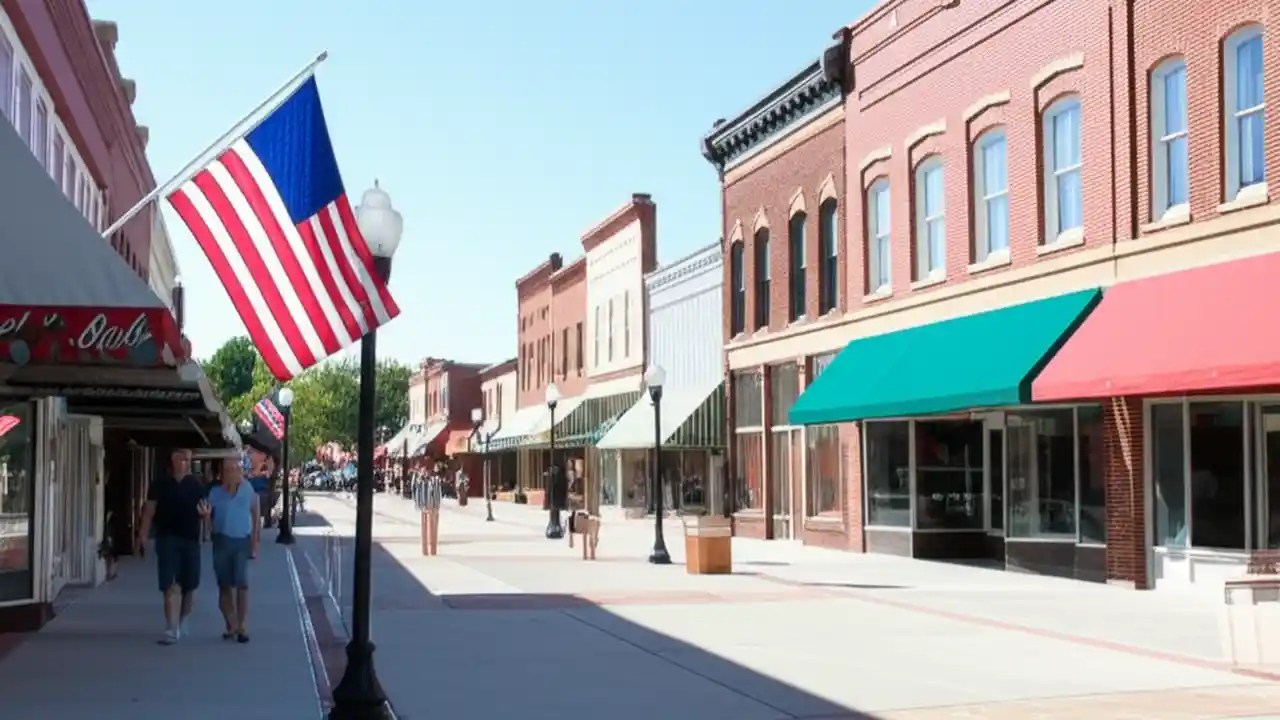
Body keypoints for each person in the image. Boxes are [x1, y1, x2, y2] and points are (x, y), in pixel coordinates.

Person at [136, 448, 210, 645]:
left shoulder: (196, 485)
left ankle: (183, 618)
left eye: (186, 459)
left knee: (190, 587)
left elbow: (206, 512)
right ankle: (171, 627)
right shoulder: (160, 484)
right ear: (172, 460)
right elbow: (149, 510)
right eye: (179, 458)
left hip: (191, 539)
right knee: (170, 584)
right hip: (167, 537)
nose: (183, 462)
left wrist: (205, 518)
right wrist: (143, 534)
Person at [207, 460, 260, 643]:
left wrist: (255, 543)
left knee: (242, 584)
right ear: (222, 474)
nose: (233, 473)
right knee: (224, 585)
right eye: (229, 470)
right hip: (221, 540)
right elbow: (207, 519)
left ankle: (242, 625)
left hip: (241, 541)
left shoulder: (248, 489)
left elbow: (255, 513)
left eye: (236, 469)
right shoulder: (214, 493)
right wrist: (206, 519)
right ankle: (231, 624)